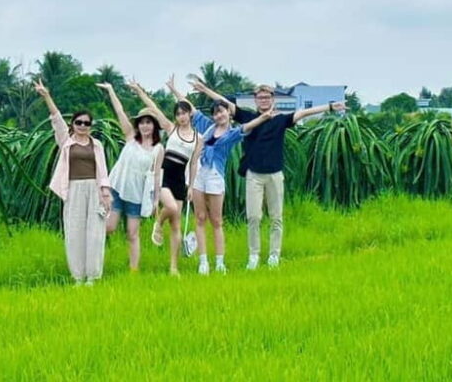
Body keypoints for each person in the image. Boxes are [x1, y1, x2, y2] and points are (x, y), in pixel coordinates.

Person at [191, 80, 346, 270]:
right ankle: (253, 256)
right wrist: (204, 89)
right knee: (253, 217)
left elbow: (303, 112)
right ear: (255, 100)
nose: (263, 100)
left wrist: (330, 106)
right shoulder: (247, 117)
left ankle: (274, 255)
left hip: (274, 175)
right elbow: (224, 103)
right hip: (253, 175)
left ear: (273, 99)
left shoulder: (281, 120)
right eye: (260, 97)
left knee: (276, 217)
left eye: (267, 97)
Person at [167, 78, 272, 275]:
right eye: (216, 112)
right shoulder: (207, 126)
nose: (219, 115)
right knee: (199, 217)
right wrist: (174, 90)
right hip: (199, 176)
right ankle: (203, 262)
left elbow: (248, 127)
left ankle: (220, 262)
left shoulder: (232, 133)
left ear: (229, 113)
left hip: (215, 178)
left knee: (216, 221)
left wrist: (264, 117)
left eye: (222, 111)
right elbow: (190, 109)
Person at [35, 79, 112, 286]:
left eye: (87, 123)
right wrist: (46, 96)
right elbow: (57, 119)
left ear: (91, 126)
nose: (83, 126)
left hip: (94, 190)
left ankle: (92, 276)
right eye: (79, 123)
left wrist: (105, 193)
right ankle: (78, 276)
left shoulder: (97, 145)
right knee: (75, 232)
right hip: (74, 190)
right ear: (73, 125)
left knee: (95, 233)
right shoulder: (66, 142)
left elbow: (103, 171)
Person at [128, 78, 202, 276]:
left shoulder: (198, 138)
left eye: (184, 113)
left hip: (180, 179)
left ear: (189, 114)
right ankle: (158, 224)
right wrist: (139, 90)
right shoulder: (171, 128)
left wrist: (191, 187)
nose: (181, 117)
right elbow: (153, 108)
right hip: (164, 174)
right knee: (169, 208)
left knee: (177, 225)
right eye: (178, 114)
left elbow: (194, 163)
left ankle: (173, 267)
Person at [97, 82, 164, 272]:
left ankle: (133, 272)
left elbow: (156, 175)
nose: (145, 126)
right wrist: (111, 90)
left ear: (154, 125)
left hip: (137, 195)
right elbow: (119, 111)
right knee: (108, 227)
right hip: (116, 189)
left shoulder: (158, 149)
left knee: (132, 234)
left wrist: (155, 201)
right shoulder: (130, 137)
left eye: (148, 122)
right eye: (142, 122)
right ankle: (94, 263)